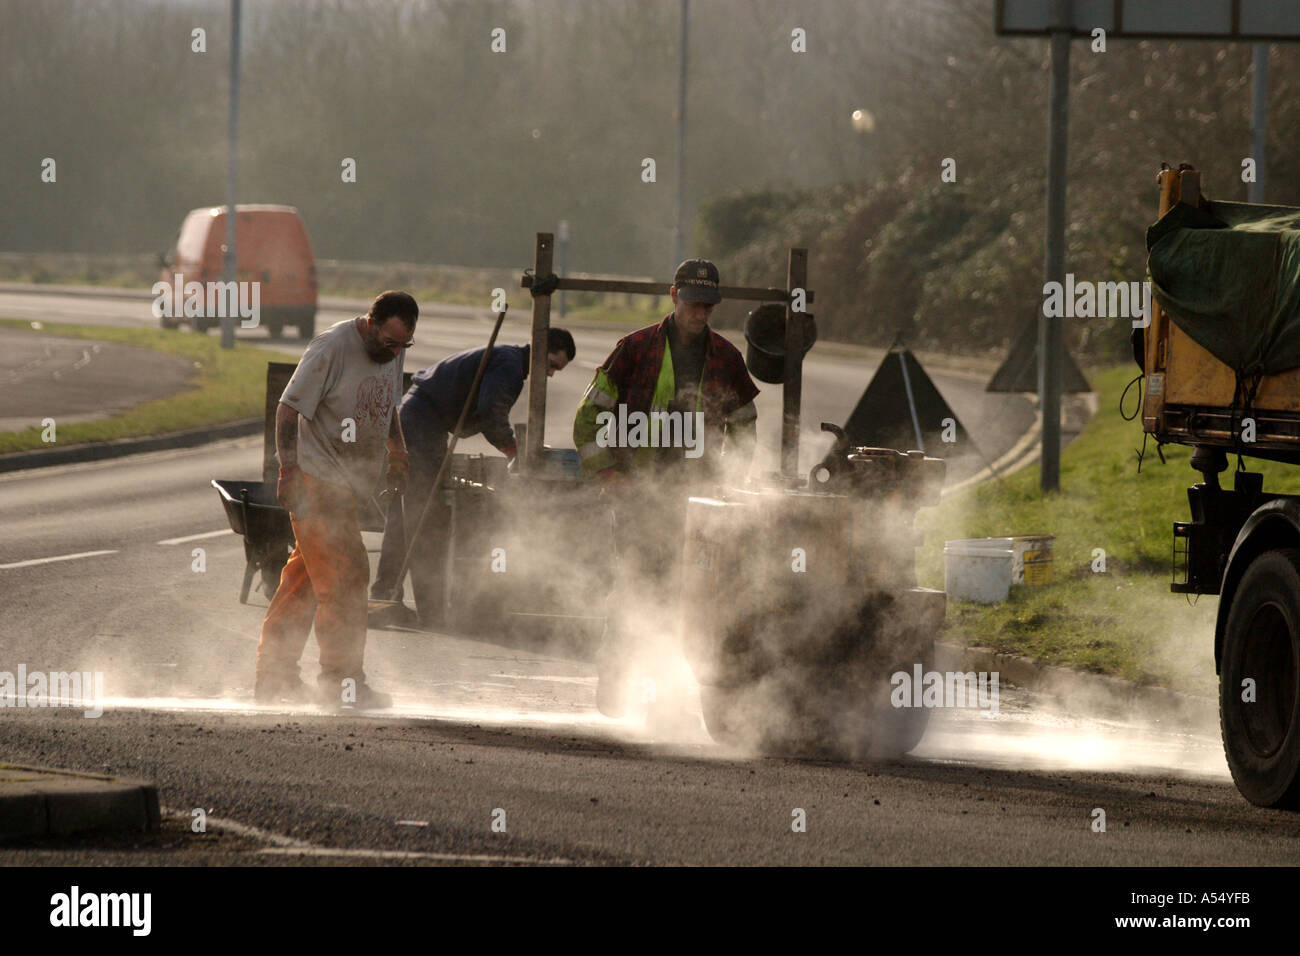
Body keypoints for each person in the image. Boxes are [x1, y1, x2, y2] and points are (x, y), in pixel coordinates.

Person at [572, 258, 759, 716]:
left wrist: (731, 483)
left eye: (708, 306)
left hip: (698, 502)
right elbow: (588, 419)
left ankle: (679, 695)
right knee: (636, 588)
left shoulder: (727, 358)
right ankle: (615, 687)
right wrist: (609, 475)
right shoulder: (634, 349)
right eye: (694, 303)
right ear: (674, 297)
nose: (701, 313)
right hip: (637, 496)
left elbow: (745, 427)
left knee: (695, 594)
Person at [255, 290, 419, 710]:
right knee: (348, 578)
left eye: (404, 346)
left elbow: (388, 405)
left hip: (346, 488)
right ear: (370, 323)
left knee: (304, 582)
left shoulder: (391, 350)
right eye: (390, 343)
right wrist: (288, 470)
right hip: (316, 480)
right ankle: (342, 683)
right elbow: (288, 410)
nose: (396, 352)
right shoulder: (331, 348)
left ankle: (275, 678)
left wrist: (396, 450)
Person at [370, 326, 577, 625]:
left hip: (426, 420)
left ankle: (399, 599)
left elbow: (487, 412)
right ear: (542, 349)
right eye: (553, 365)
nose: (551, 375)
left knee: (415, 512)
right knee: (413, 512)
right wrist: (513, 451)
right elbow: (492, 412)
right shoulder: (509, 364)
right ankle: (388, 598)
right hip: (421, 422)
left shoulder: (509, 360)